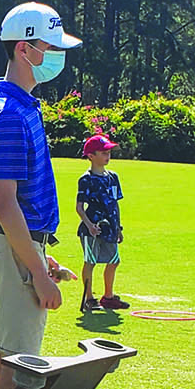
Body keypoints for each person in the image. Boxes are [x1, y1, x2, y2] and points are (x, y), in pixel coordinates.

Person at [0, 2, 81, 389]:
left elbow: (17, 207)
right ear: (24, 49)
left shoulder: (21, 107)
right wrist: (37, 272)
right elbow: (6, 203)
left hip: (18, 247)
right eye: (48, 46)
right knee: (15, 371)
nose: (56, 55)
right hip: (15, 248)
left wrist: (40, 256)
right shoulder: (11, 115)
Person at [76, 133, 127, 313]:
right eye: (103, 152)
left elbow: (115, 203)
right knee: (91, 261)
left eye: (108, 152)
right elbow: (79, 207)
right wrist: (89, 225)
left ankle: (108, 296)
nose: (107, 156)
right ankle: (89, 298)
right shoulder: (86, 179)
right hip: (92, 229)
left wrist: (118, 227)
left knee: (114, 260)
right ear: (91, 156)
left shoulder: (113, 177)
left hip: (110, 227)